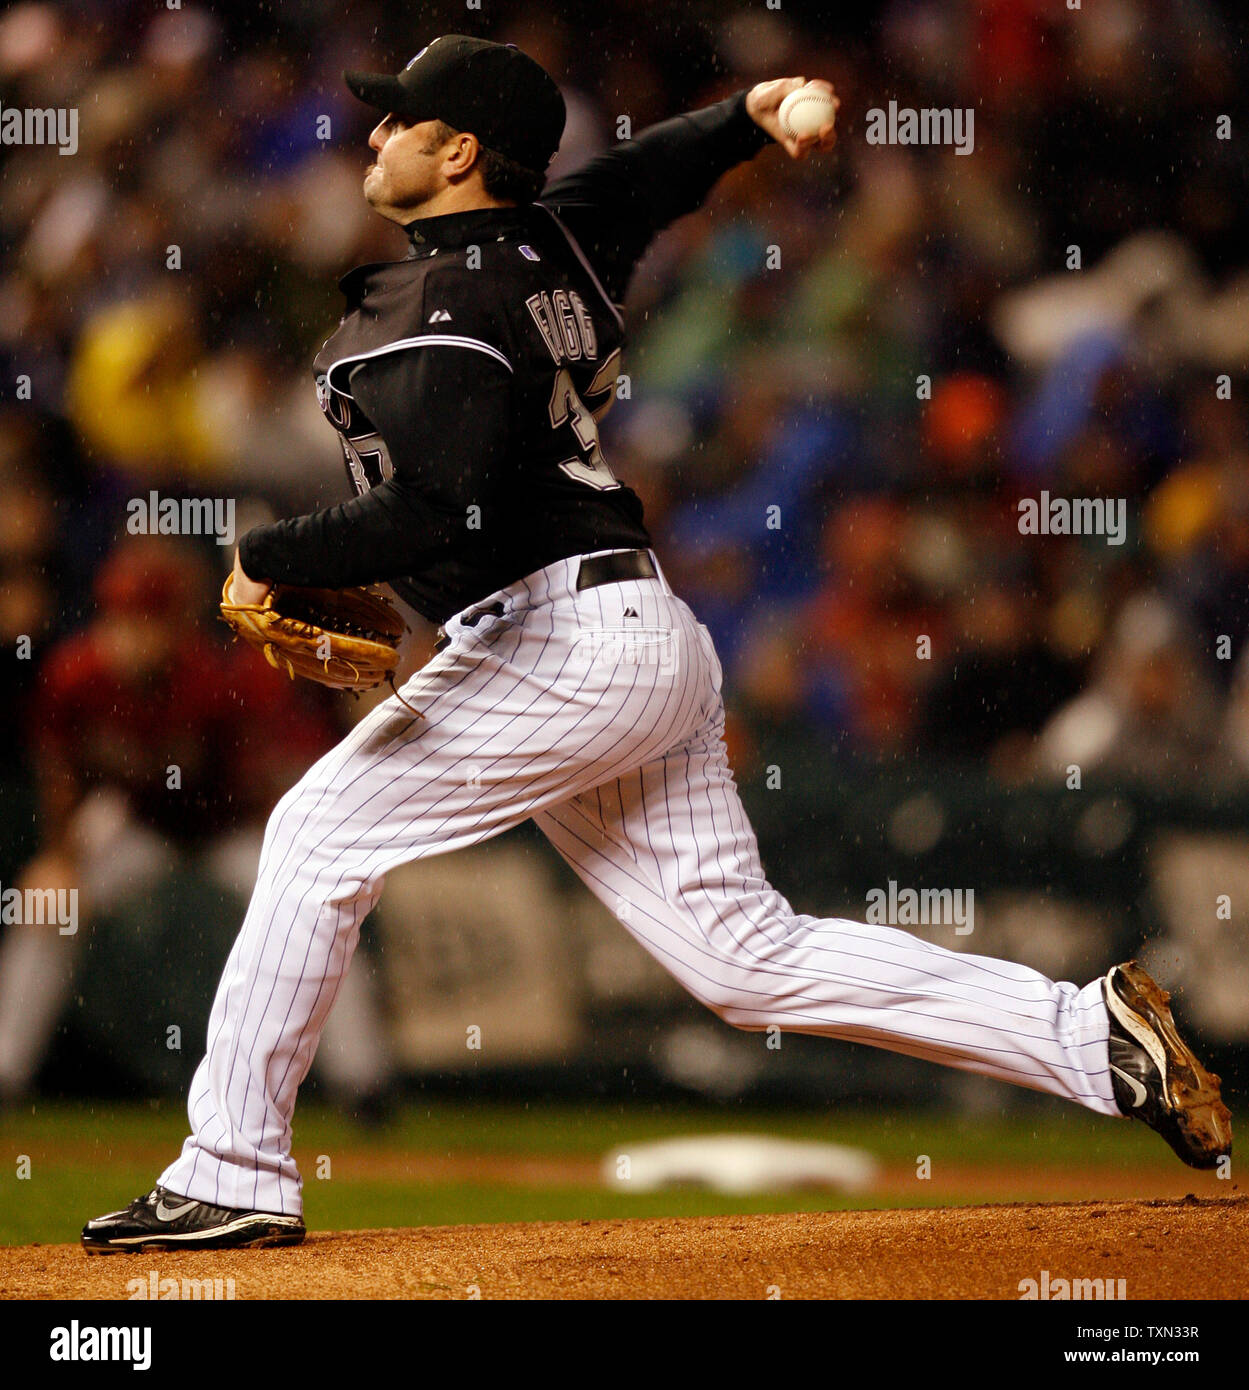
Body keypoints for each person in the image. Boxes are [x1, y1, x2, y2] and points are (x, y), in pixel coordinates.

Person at [83, 35, 1229, 1253]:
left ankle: (236, 1167)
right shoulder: (549, 246)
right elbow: (647, 177)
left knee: (315, 835)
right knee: (745, 958)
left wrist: (272, 552)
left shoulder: (449, 302)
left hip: (557, 643)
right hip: (626, 636)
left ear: (458, 151)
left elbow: (440, 505)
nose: (372, 136)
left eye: (397, 121)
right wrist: (753, 109)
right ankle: (1083, 1034)